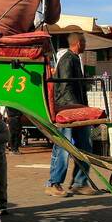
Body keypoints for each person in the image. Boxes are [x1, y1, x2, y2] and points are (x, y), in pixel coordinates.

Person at [46, 33, 94, 196]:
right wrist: (74, 109)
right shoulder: (67, 59)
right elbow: (65, 86)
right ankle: (54, 183)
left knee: (85, 144)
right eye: (85, 42)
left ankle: (80, 182)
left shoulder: (74, 58)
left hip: (77, 108)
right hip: (68, 109)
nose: (86, 44)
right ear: (79, 43)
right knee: (63, 147)